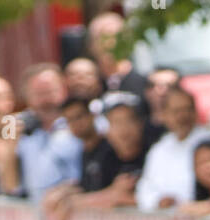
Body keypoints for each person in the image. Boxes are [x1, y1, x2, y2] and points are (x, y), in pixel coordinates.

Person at [135, 83, 209, 211]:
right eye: (176, 111)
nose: (182, 116)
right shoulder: (159, 149)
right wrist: (158, 201)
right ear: (165, 115)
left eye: (187, 109)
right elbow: (145, 189)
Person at [15, 64, 82, 201]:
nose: (46, 100)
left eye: (50, 92)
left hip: (73, 208)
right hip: (32, 211)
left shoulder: (82, 120)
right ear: (27, 96)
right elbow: (2, 163)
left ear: (65, 90)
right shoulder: (15, 123)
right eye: (39, 94)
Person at [87, 11, 147, 101]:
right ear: (91, 45)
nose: (108, 44)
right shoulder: (86, 87)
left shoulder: (146, 86)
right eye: (101, 38)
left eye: (114, 37)